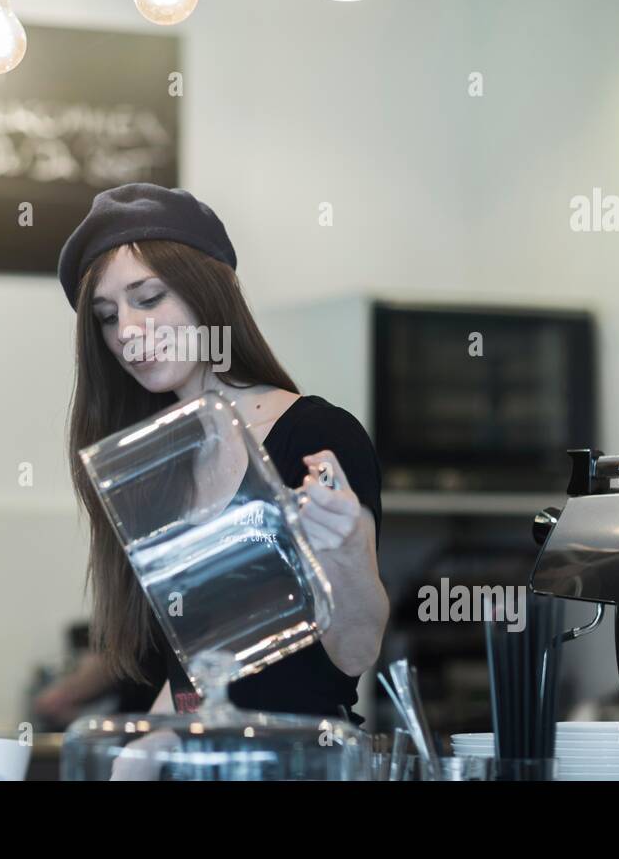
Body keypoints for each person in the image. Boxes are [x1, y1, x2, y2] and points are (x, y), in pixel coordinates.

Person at [59, 183, 389, 733]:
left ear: (208, 291)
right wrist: (148, 748)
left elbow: (356, 651)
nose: (128, 332)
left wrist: (349, 548)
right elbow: (203, 674)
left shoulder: (315, 434)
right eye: (107, 316)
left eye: (148, 298)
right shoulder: (152, 467)